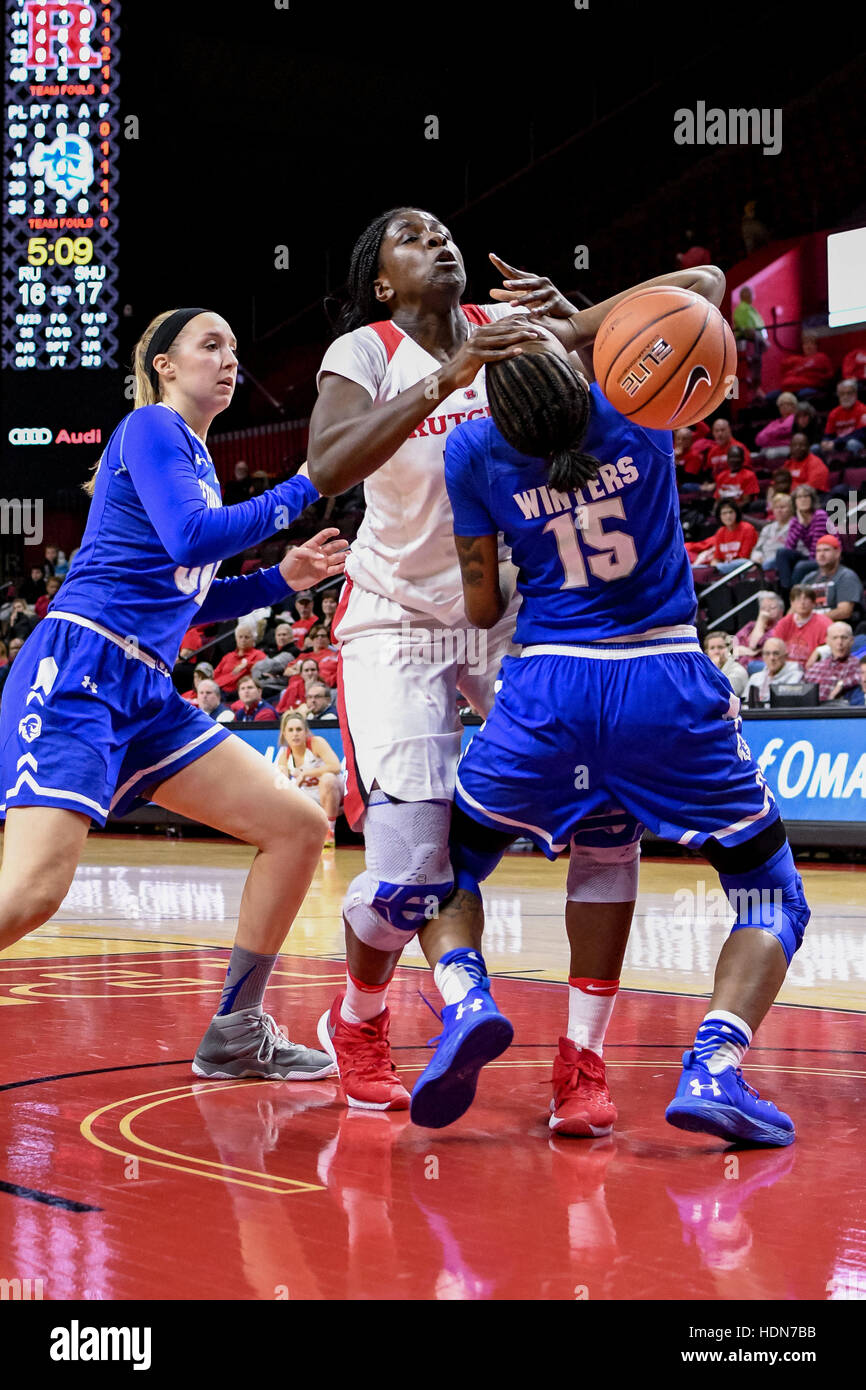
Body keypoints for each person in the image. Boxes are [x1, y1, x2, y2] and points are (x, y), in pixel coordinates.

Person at [307, 203, 722, 1112]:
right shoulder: (367, 352)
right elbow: (329, 468)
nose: (439, 240)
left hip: (516, 621)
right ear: (382, 283)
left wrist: (576, 310)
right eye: (411, 238)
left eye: (443, 230)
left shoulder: (517, 329)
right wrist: (446, 378)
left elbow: (699, 292)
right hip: (399, 620)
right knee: (412, 862)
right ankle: (362, 1015)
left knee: (610, 823)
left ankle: (583, 1063)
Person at [420, 274, 808, 1148]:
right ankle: (713, 1062)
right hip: (662, 685)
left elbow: (483, 612)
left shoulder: (472, 452)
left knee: (443, 866)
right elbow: (705, 285)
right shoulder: (637, 410)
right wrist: (567, 317)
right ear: (579, 368)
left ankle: (467, 995)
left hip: (549, 691)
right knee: (768, 894)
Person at [0, 305, 349, 1085]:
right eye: (210, 345)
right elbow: (195, 540)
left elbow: (189, 590)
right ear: (163, 364)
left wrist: (280, 580)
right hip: (80, 673)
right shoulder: (151, 427)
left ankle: (236, 1031)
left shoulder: (195, 458)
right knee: (29, 893)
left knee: (295, 827)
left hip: (145, 690)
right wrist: (304, 486)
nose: (229, 360)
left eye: (233, 347)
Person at [276, 711, 343, 847]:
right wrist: (283, 777)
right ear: (284, 734)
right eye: (291, 730)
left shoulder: (316, 743)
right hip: (311, 800)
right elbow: (281, 788)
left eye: (299, 729)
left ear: (306, 731)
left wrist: (306, 773)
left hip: (334, 795)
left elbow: (335, 766)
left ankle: (329, 831)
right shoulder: (285, 756)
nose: (295, 733)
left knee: (328, 779)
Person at [773, 485, 832, 593]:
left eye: (806, 496)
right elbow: (789, 547)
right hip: (811, 555)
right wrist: (800, 524)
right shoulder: (795, 520)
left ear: (812, 499)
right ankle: (787, 590)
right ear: (795, 502)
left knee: (801, 566)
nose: (803, 499)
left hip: (826, 555)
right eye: (799, 497)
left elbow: (817, 546)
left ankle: (791, 595)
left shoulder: (820, 516)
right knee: (781, 553)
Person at [798, 534, 863, 624]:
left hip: (836, 628)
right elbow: (795, 607)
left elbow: (844, 612)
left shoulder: (846, 576)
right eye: (818, 551)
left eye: (826, 550)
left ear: (837, 553)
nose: (821, 554)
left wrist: (811, 621)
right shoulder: (809, 578)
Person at [768, 586, 831, 667]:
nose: (802, 603)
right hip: (785, 668)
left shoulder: (824, 623)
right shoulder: (784, 623)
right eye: (798, 599)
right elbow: (774, 645)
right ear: (792, 603)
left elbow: (832, 646)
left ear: (813, 603)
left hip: (813, 668)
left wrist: (819, 651)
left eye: (806, 599)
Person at [689, 500, 758, 573]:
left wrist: (719, 567)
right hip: (726, 567)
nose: (728, 516)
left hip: (743, 566)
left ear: (736, 513)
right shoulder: (720, 532)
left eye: (731, 512)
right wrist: (714, 566)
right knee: (699, 569)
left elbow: (744, 557)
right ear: (720, 516)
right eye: (724, 513)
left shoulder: (747, 529)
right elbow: (717, 558)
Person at [803, 623, 861, 701]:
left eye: (844, 637)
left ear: (851, 641)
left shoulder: (857, 664)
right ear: (827, 641)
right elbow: (801, 690)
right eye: (835, 638)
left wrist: (842, 684)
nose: (840, 642)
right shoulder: (816, 667)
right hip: (812, 710)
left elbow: (862, 677)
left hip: (839, 710)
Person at [212, 619, 267, 696]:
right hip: (218, 690)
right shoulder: (228, 656)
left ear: (253, 639)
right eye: (240, 637)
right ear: (236, 638)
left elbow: (265, 668)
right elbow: (215, 673)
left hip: (239, 693)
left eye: (246, 637)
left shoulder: (259, 655)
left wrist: (247, 665)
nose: (243, 640)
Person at [744, 638, 802, 706]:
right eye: (767, 653)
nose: (771, 658)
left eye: (776, 653)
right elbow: (744, 705)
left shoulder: (796, 676)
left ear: (785, 656)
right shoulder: (755, 678)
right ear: (763, 656)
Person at [734, 591, 785, 664]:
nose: (767, 611)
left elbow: (754, 645)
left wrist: (761, 620)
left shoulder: (780, 627)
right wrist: (748, 651)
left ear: (781, 612)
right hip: (739, 664)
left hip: (761, 666)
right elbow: (732, 646)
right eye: (763, 608)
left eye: (772, 608)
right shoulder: (751, 625)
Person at [821, 379, 866, 457]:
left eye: (849, 393)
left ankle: (854, 467)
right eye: (842, 394)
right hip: (838, 444)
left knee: (852, 443)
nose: (845, 397)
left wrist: (836, 442)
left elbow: (860, 434)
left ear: (855, 394)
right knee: (816, 448)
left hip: (857, 444)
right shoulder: (834, 413)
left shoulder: (863, 410)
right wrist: (825, 442)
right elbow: (828, 435)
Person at [750, 494, 793, 572]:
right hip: (763, 560)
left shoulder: (795, 527)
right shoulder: (767, 528)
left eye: (782, 507)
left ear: (791, 509)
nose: (779, 510)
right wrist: (757, 557)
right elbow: (757, 549)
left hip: (781, 561)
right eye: (776, 507)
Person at [703, 631, 749, 697]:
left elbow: (723, 697)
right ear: (707, 652)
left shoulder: (738, 671)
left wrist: (714, 671)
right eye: (712, 648)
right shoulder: (704, 670)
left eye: (720, 647)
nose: (716, 652)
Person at [754, 392, 798, 457]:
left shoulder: (794, 418)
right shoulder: (775, 422)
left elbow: (785, 429)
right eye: (781, 404)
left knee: (771, 453)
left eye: (787, 403)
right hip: (772, 447)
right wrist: (774, 435)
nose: (784, 406)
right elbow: (758, 439)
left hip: (787, 447)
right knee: (759, 453)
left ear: (794, 406)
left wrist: (769, 435)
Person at [0, 636, 23, 701]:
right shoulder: (5, 669)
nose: (16, 651)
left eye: (20, 648)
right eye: (13, 648)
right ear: (9, 651)